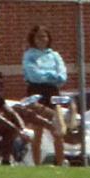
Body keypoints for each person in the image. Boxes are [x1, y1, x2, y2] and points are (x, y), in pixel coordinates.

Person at [20, 25, 67, 166]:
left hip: (53, 94)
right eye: (39, 37)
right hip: (36, 94)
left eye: (44, 36)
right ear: (33, 39)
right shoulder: (29, 55)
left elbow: (62, 77)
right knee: (38, 131)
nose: (42, 39)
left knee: (58, 130)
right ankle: (37, 165)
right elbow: (34, 76)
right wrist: (52, 75)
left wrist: (48, 75)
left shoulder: (55, 55)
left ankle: (60, 163)